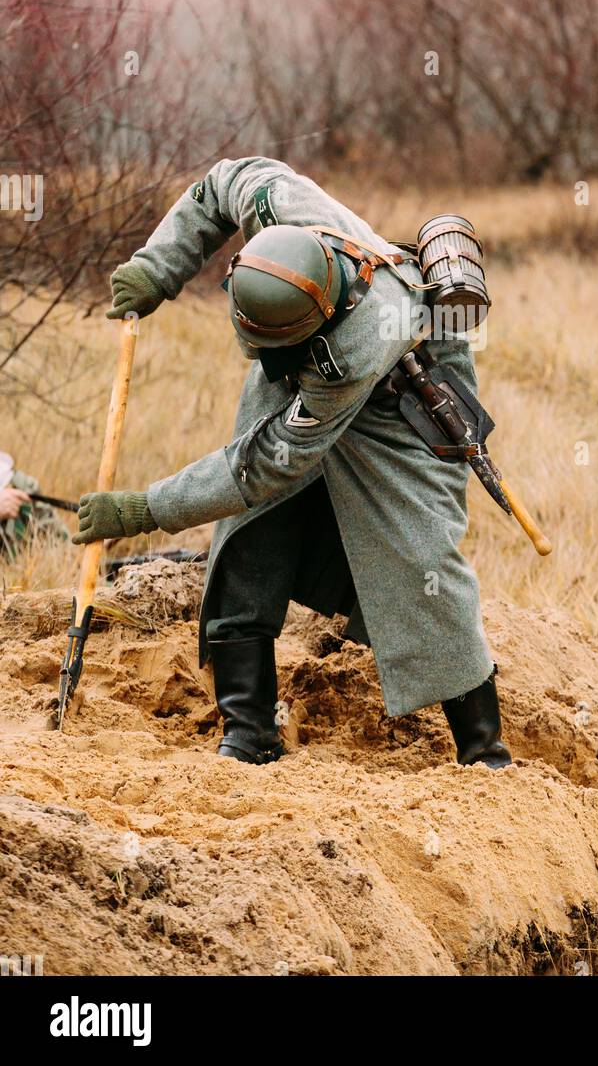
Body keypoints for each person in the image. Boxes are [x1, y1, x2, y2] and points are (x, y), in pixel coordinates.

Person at [73, 158, 511, 769]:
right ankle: (250, 732)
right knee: (248, 540)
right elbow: (216, 186)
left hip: (405, 403)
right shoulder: (275, 202)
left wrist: (143, 509)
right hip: (299, 363)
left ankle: (483, 750)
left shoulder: (350, 355)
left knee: (423, 563)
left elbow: (260, 466)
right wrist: (159, 266)